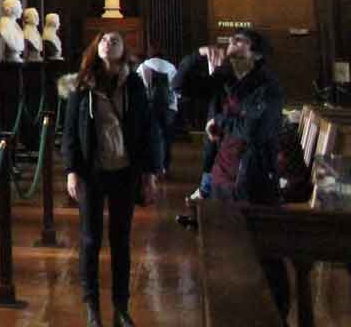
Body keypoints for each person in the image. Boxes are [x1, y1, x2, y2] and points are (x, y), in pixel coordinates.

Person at [175, 28, 288, 315]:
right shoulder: (223, 79)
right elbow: (180, 85)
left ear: (257, 53)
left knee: (264, 250)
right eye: (231, 40)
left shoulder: (267, 86)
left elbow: (253, 130)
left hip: (254, 176)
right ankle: (236, 311)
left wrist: (219, 122)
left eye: (240, 41)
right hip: (222, 173)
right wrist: (196, 55)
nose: (231, 45)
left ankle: (277, 312)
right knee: (227, 248)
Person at [62, 30, 157, 327]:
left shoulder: (134, 84)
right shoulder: (83, 83)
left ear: (123, 49)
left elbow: (146, 129)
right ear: (95, 47)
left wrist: (149, 172)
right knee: (90, 240)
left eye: (114, 40)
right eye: (103, 39)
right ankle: (92, 305)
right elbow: (69, 133)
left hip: (124, 170)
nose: (108, 43)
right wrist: (72, 170)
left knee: (121, 240)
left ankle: (120, 305)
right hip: (92, 171)